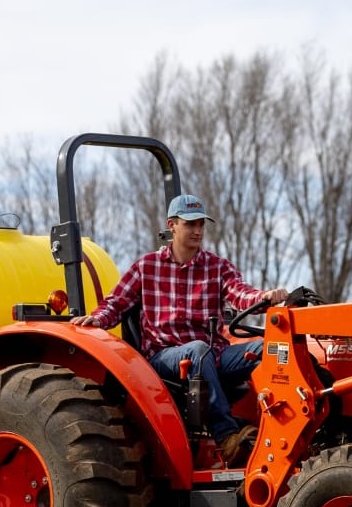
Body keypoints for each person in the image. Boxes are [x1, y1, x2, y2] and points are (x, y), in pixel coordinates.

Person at [72, 194, 287, 466]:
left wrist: (264, 298)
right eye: (190, 225)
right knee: (198, 351)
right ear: (172, 225)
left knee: (275, 350)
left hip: (213, 354)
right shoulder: (146, 267)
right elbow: (116, 303)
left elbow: (240, 294)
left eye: (201, 225)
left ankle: (289, 432)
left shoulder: (217, 267)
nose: (198, 231)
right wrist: (97, 320)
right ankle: (228, 437)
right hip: (165, 357)